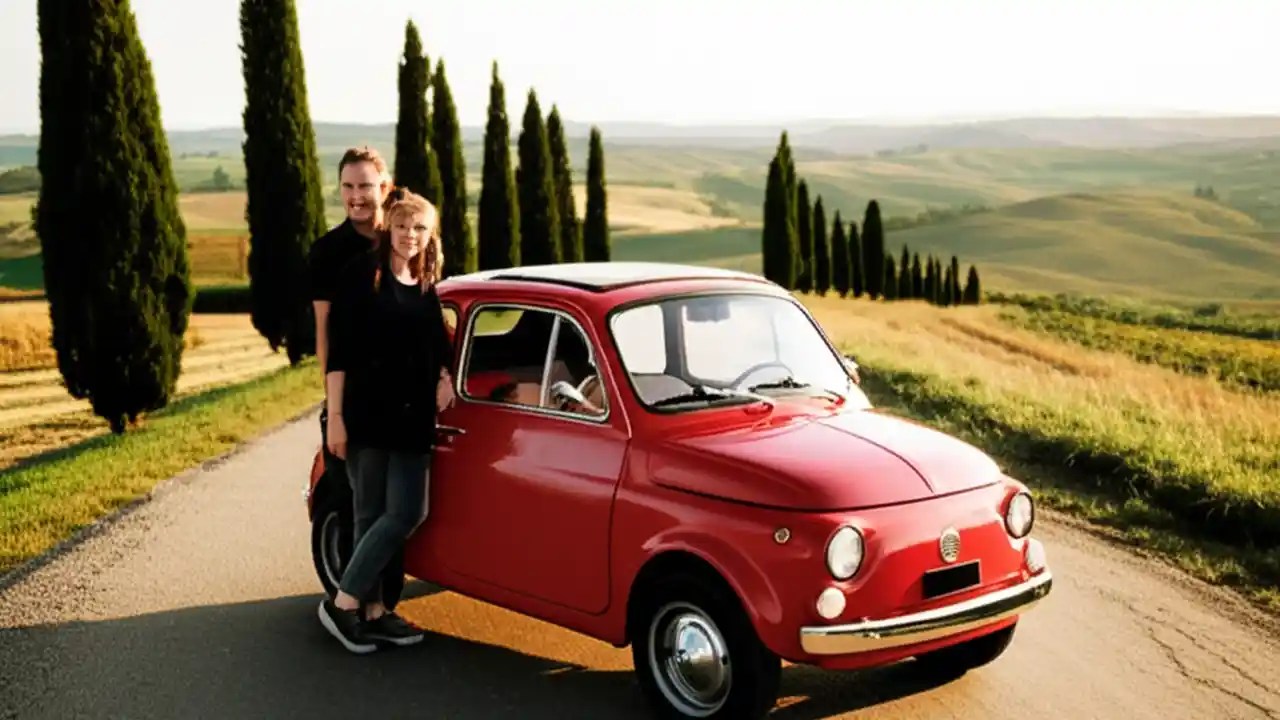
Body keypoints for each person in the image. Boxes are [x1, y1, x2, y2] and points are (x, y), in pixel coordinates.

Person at [318, 188, 456, 654]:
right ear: (388, 228)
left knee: (406, 512)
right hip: (367, 414)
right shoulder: (362, 276)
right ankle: (364, 608)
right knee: (369, 514)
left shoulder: (426, 283)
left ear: (430, 234)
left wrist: (445, 376)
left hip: (413, 420)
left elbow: (437, 345)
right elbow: (340, 353)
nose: (409, 235)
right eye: (401, 226)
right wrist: (335, 417)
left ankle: (353, 605)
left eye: (419, 228)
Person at [309, 147, 409, 623]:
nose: (355, 196)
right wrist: (335, 411)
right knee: (357, 507)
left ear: (384, 188)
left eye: (365, 186)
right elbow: (324, 334)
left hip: (402, 399)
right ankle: (357, 611)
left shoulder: (404, 239)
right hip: (352, 398)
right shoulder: (327, 253)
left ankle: (382, 607)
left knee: (396, 508)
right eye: (347, 186)